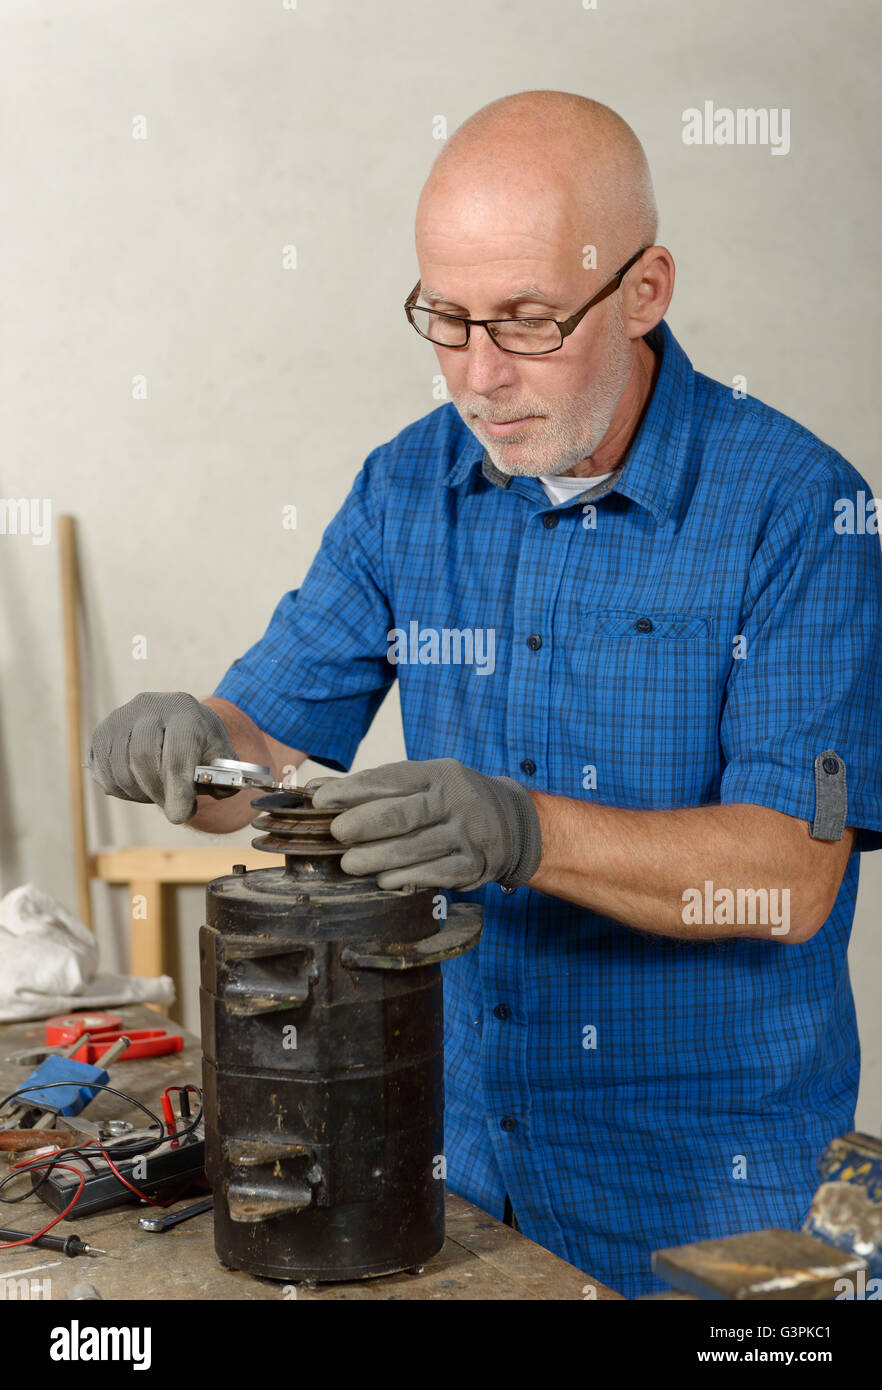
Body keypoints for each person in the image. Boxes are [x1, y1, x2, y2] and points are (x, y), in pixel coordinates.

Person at [89, 90, 882, 1298]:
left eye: (526, 323)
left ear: (645, 288)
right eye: (445, 320)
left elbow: (788, 874)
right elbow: (267, 756)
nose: (479, 374)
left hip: (712, 1193)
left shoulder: (801, 511)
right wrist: (194, 746)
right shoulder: (409, 486)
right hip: (449, 1161)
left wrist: (522, 828)